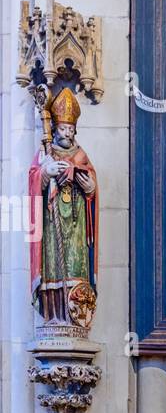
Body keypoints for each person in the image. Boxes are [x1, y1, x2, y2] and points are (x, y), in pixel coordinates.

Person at [28, 88, 98, 330]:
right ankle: (53, 316)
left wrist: (90, 189)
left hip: (76, 226)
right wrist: (46, 173)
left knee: (75, 265)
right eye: (62, 129)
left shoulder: (81, 156)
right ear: (55, 128)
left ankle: (73, 317)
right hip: (51, 222)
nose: (67, 133)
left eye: (70, 129)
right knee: (54, 267)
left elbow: (92, 185)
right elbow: (33, 180)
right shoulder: (45, 154)